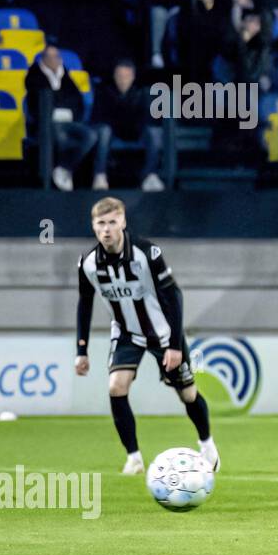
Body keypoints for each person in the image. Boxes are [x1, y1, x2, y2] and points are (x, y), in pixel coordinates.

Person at [73, 197, 219, 475]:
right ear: (93, 226)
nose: (107, 230)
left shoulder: (146, 252)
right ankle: (134, 458)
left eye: (112, 222)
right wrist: (82, 349)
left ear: (123, 222)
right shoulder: (88, 263)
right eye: (100, 223)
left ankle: (207, 444)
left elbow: (174, 295)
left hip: (164, 334)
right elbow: (85, 302)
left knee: (187, 394)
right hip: (127, 333)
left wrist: (175, 345)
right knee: (116, 385)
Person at [24, 45, 107, 191]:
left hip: (71, 121)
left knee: (92, 134)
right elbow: (38, 103)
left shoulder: (67, 78)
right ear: (43, 59)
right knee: (62, 137)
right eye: (50, 57)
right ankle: (55, 174)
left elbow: (78, 101)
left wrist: (68, 111)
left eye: (56, 56)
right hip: (47, 123)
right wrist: (58, 108)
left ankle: (65, 168)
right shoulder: (34, 77)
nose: (54, 60)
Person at [94, 60, 165, 191]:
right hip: (113, 131)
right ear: (114, 76)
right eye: (119, 76)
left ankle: (150, 175)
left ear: (132, 77)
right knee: (104, 131)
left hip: (136, 130)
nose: (122, 80)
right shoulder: (104, 92)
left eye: (126, 76)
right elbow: (100, 117)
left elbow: (148, 117)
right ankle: (100, 175)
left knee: (154, 132)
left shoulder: (142, 93)